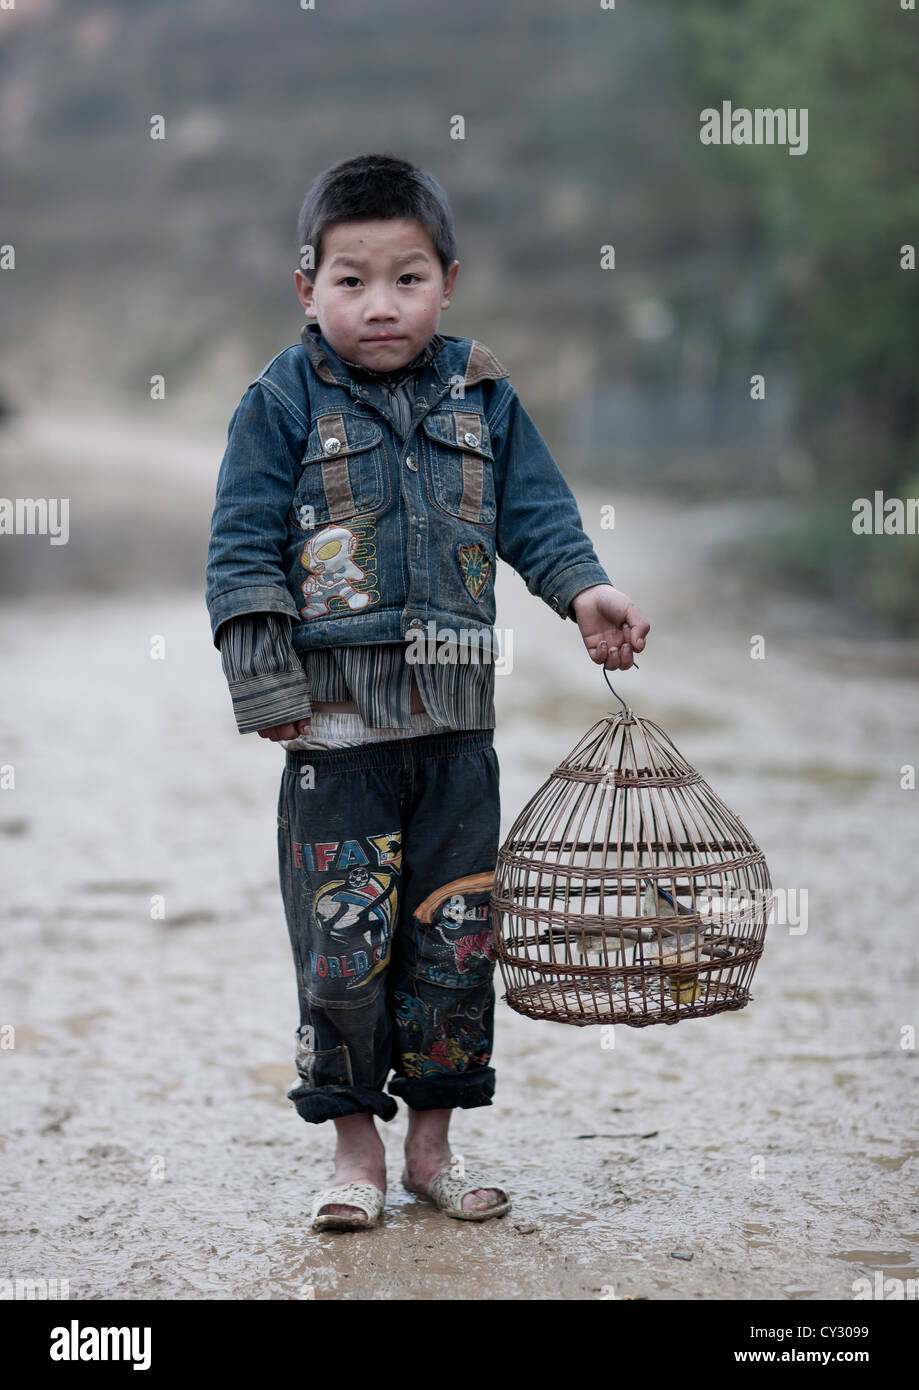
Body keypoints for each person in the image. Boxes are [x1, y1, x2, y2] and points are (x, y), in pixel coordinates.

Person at [205, 152, 650, 1232]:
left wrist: (584, 590)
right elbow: (241, 549)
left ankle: (431, 1149)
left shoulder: (481, 391)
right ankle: (354, 1154)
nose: (381, 303)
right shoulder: (277, 400)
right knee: (343, 951)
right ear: (304, 286)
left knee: (454, 945)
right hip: (336, 739)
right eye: (350, 279)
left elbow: (536, 515)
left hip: (457, 733)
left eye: (407, 278)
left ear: (448, 280)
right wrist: (265, 680)